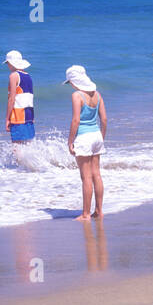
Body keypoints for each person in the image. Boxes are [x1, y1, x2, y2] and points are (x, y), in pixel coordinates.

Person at [64, 64, 106, 221]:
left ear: (74, 81)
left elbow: (76, 120)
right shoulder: (97, 94)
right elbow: (104, 119)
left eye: (70, 82)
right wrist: (101, 136)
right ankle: (99, 211)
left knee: (86, 177)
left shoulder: (77, 96)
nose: (71, 86)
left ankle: (85, 214)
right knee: (97, 175)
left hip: (83, 137)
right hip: (96, 135)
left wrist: (70, 141)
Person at [3, 50, 35, 156]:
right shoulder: (28, 76)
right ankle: (30, 170)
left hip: (18, 114)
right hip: (29, 114)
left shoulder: (13, 76)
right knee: (28, 146)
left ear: (11, 63)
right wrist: (33, 116)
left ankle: (20, 170)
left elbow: (12, 99)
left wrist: (7, 118)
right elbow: (30, 97)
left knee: (16, 147)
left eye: (7, 63)